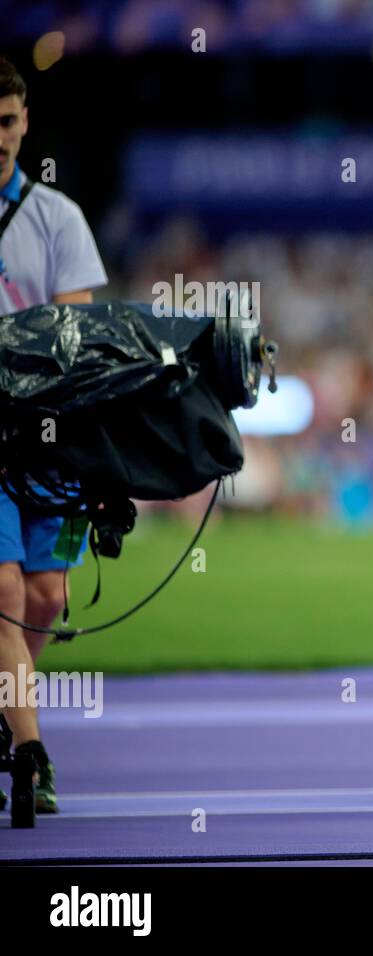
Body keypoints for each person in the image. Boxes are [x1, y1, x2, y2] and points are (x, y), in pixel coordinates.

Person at [0, 57, 107, 814]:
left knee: (46, 599)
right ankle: (30, 747)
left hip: (49, 435)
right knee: (3, 588)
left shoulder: (58, 217)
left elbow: (73, 333)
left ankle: (8, 717)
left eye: (7, 122)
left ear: (25, 120)